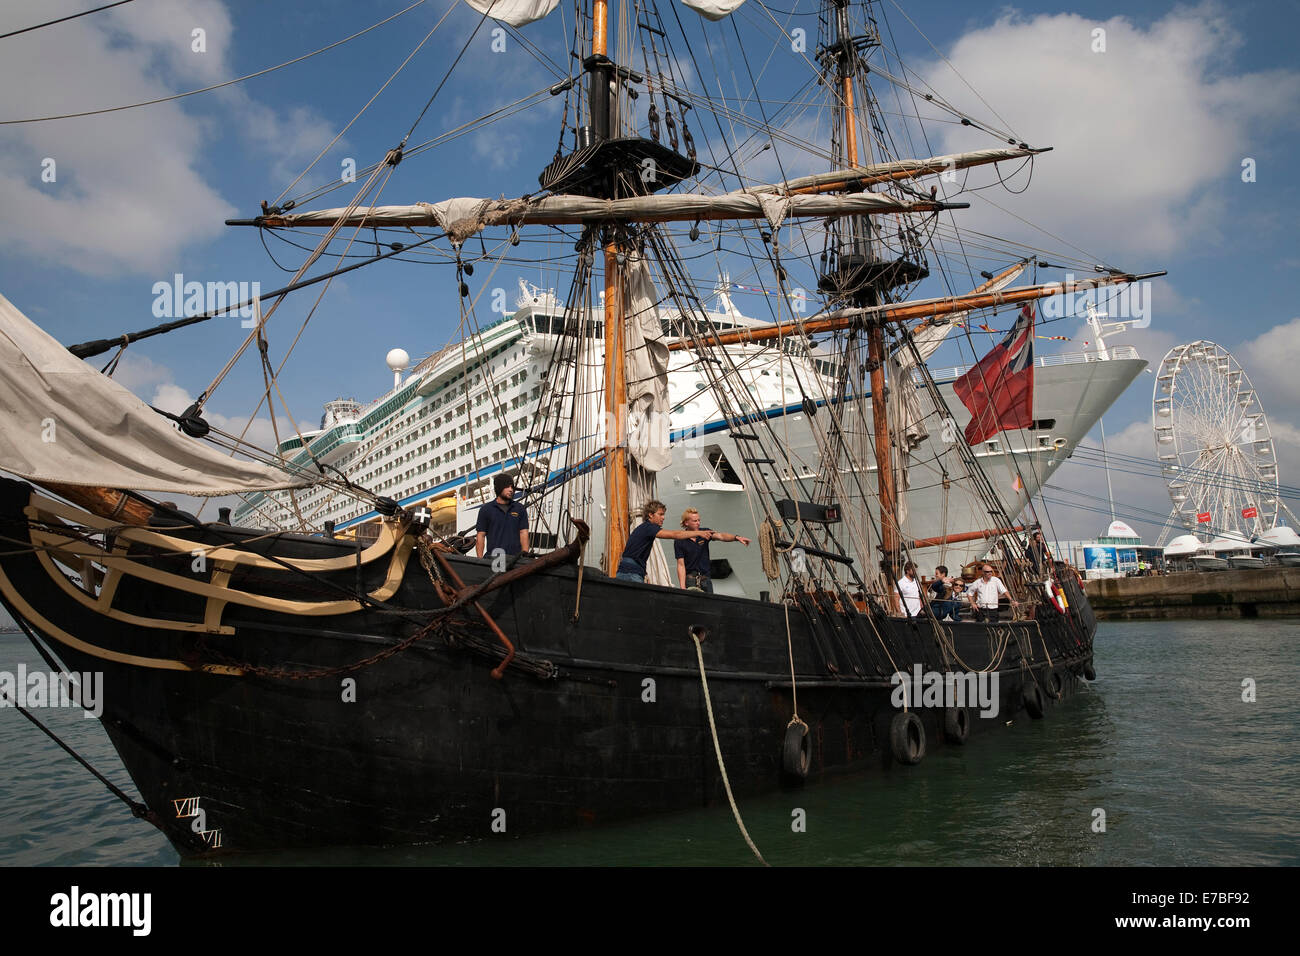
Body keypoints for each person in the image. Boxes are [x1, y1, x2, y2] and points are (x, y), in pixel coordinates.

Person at [616, 500, 711, 583]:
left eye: (663, 514)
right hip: (631, 573)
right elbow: (675, 535)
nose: (663, 517)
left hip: (628, 570)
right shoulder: (649, 527)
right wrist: (699, 533)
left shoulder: (643, 528)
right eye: (660, 514)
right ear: (651, 515)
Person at [674, 507, 751, 592]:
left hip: (705, 580)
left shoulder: (705, 533)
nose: (698, 523)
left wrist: (736, 537)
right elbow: (680, 565)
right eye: (695, 521)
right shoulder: (679, 540)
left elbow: (721, 536)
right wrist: (682, 587)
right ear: (686, 523)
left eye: (699, 520)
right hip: (690, 581)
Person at [475, 473, 529, 559]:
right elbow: (480, 535)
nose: (511, 490)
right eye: (507, 487)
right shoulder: (486, 510)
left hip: (516, 559)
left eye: (512, 487)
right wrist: (480, 560)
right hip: (494, 559)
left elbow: (523, 532)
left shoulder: (519, 508)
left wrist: (525, 557)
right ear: (499, 488)